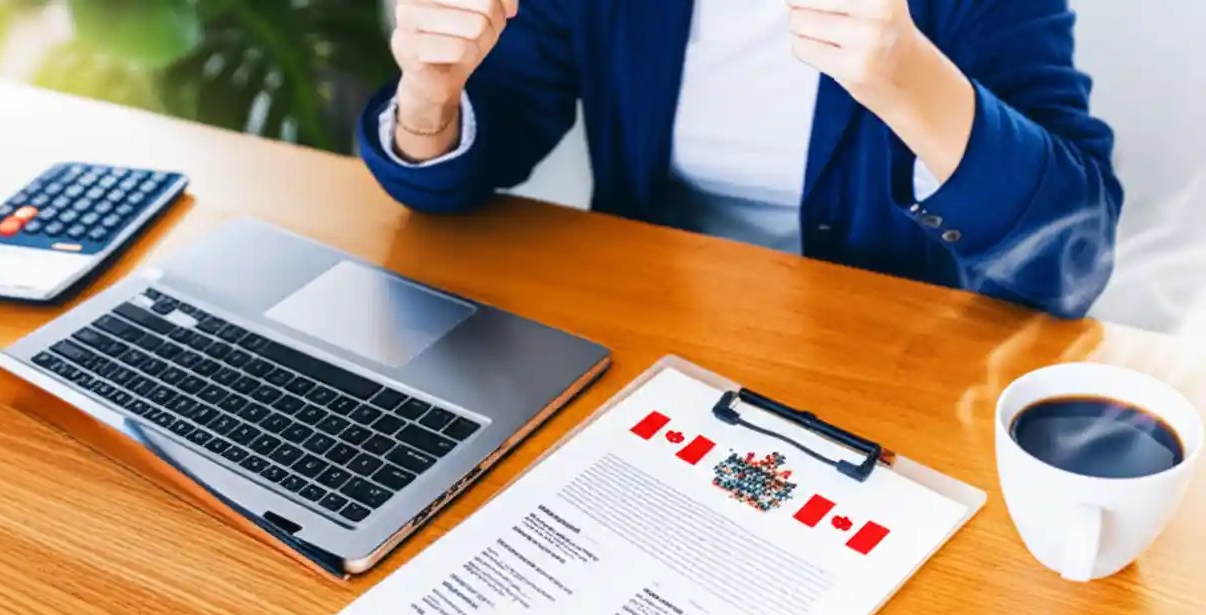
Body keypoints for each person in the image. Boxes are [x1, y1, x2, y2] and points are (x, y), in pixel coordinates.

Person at [356, 0, 1123, 318]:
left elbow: (1070, 256)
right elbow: (463, 171)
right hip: (651, 348)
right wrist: (430, 94)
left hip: (889, 367)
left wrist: (913, 82)